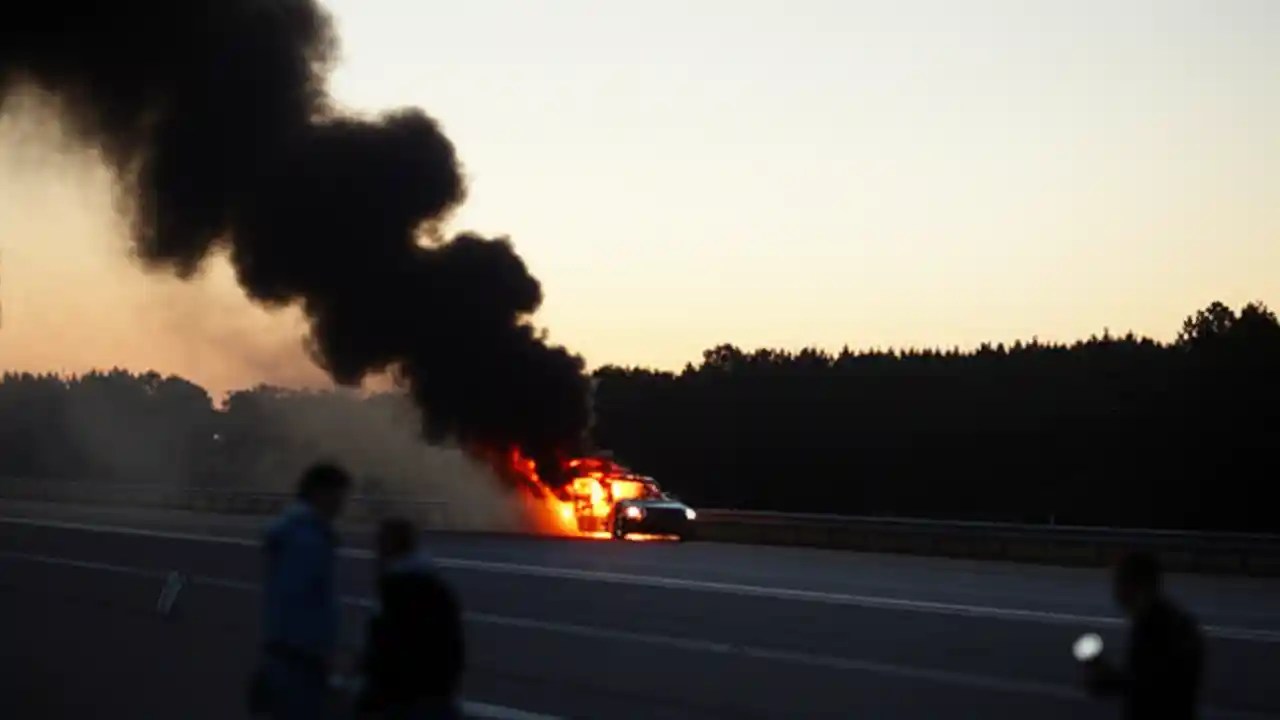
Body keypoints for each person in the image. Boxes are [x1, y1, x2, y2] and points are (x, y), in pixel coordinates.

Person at [253, 462, 352, 719]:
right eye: (339, 496)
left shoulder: (298, 532)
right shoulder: (307, 539)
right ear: (321, 493)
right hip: (300, 662)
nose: (342, 504)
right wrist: (319, 652)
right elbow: (297, 600)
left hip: (289, 659)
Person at [356, 518, 465, 719]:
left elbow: (388, 651)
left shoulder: (398, 591)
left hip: (406, 702)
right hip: (436, 697)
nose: (375, 556)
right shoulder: (436, 587)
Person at [1084, 551, 1205, 719]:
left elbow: (1148, 686)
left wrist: (1104, 679)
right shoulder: (1176, 622)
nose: (1115, 592)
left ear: (1136, 585)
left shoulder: (1154, 626)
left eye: (1119, 583)